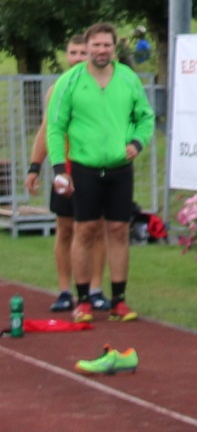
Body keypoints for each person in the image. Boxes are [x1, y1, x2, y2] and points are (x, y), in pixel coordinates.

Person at [40, 23, 155, 322]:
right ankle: (83, 300)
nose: (101, 51)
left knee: (118, 230)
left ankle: (118, 299)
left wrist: (137, 142)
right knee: (85, 230)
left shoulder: (128, 79)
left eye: (107, 45)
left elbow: (145, 117)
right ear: (88, 47)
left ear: (114, 48)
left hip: (119, 168)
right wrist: (58, 169)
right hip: (83, 167)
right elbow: (55, 127)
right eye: (96, 45)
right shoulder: (70, 81)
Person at [24, 33, 93, 312]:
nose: (77, 58)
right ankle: (65, 291)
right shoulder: (57, 90)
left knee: (93, 230)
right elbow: (46, 130)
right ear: (67, 55)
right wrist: (35, 166)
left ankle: (95, 290)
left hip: (93, 166)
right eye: (73, 52)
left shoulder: (103, 89)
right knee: (65, 228)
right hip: (65, 168)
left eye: (82, 53)